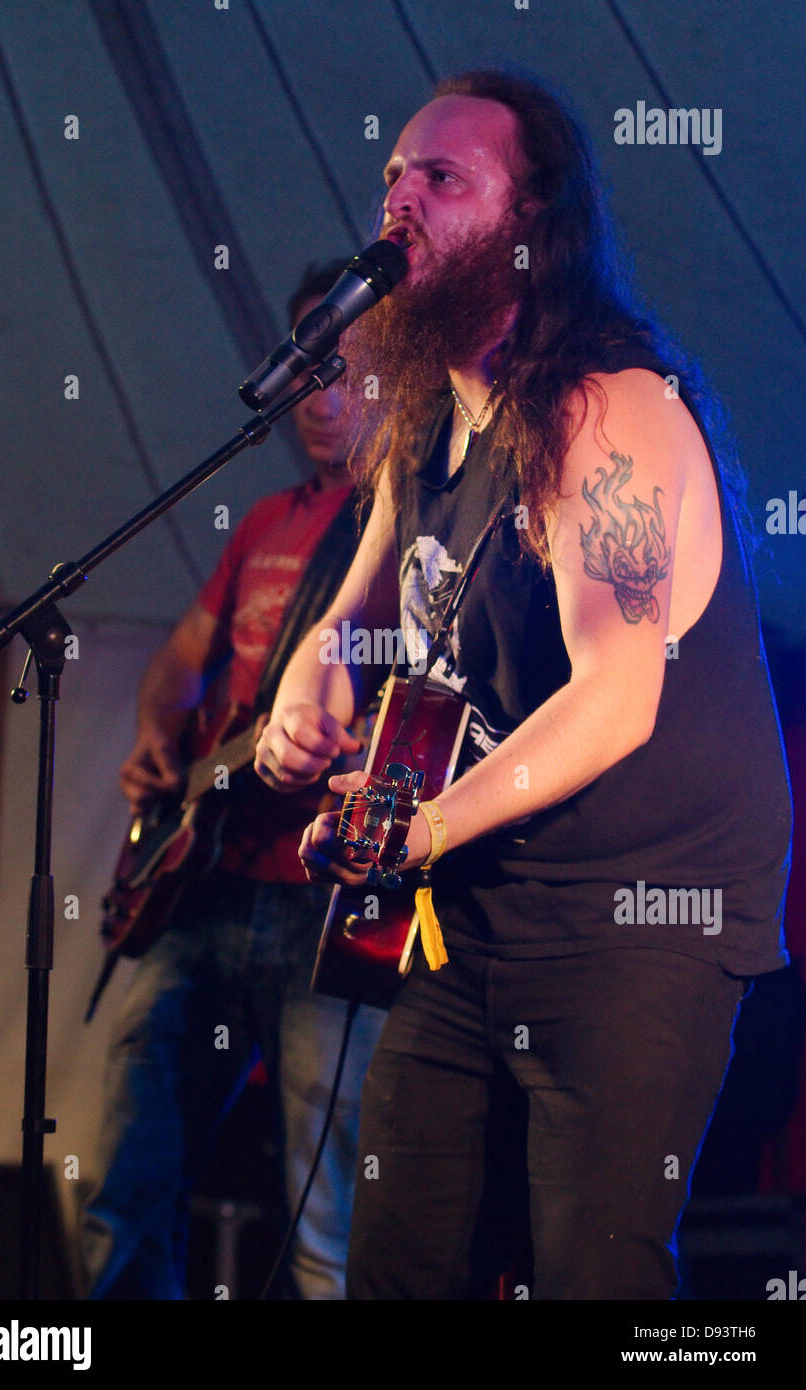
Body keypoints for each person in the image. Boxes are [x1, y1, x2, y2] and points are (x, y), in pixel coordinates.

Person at [254, 70, 792, 1300]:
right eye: (393, 173)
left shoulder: (606, 408)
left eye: (442, 177)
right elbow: (358, 604)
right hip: (473, 903)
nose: (400, 198)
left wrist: (418, 824)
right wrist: (307, 681)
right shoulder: (421, 420)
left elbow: (617, 694)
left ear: (529, 224)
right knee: (401, 1263)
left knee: (591, 1278)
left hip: (640, 915)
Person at [81, 259, 384, 1300]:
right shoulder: (262, 522)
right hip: (201, 885)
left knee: (324, 1217)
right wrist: (160, 736)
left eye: (339, 367)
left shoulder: (410, 527)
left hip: (319, 905)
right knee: (128, 1175)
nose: (316, 390)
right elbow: (179, 660)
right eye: (304, 364)